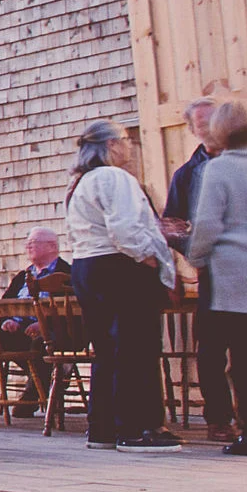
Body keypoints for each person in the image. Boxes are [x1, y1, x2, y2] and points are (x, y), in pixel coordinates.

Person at [66, 120, 180, 453]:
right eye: (125, 140)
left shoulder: (79, 183)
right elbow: (126, 227)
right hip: (119, 265)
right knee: (138, 345)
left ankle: (102, 427)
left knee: (106, 348)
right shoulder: (115, 177)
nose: (129, 146)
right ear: (111, 145)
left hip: (87, 266)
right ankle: (137, 427)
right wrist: (147, 257)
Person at [165, 95, 237, 442]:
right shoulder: (187, 174)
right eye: (202, 122)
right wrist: (193, 250)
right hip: (211, 274)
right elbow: (172, 225)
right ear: (193, 129)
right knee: (210, 351)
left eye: (215, 119)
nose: (209, 126)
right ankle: (218, 419)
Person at [186, 99, 247, 457]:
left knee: (239, 359)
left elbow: (208, 224)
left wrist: (195, 255)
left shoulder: (220, 170)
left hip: (232, 273)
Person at [0, 227, 70, 416]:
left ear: (52, 246)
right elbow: (5, 304)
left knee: (40, 343)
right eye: (27, 243)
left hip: (56, 333)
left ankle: (32, 393)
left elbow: (74, 311)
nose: (28, 247)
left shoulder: (67, 273)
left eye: (33, 243)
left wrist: (46, 325)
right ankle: (53, 378)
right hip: (23, 332)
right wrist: (8, 321)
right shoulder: (23, 276)